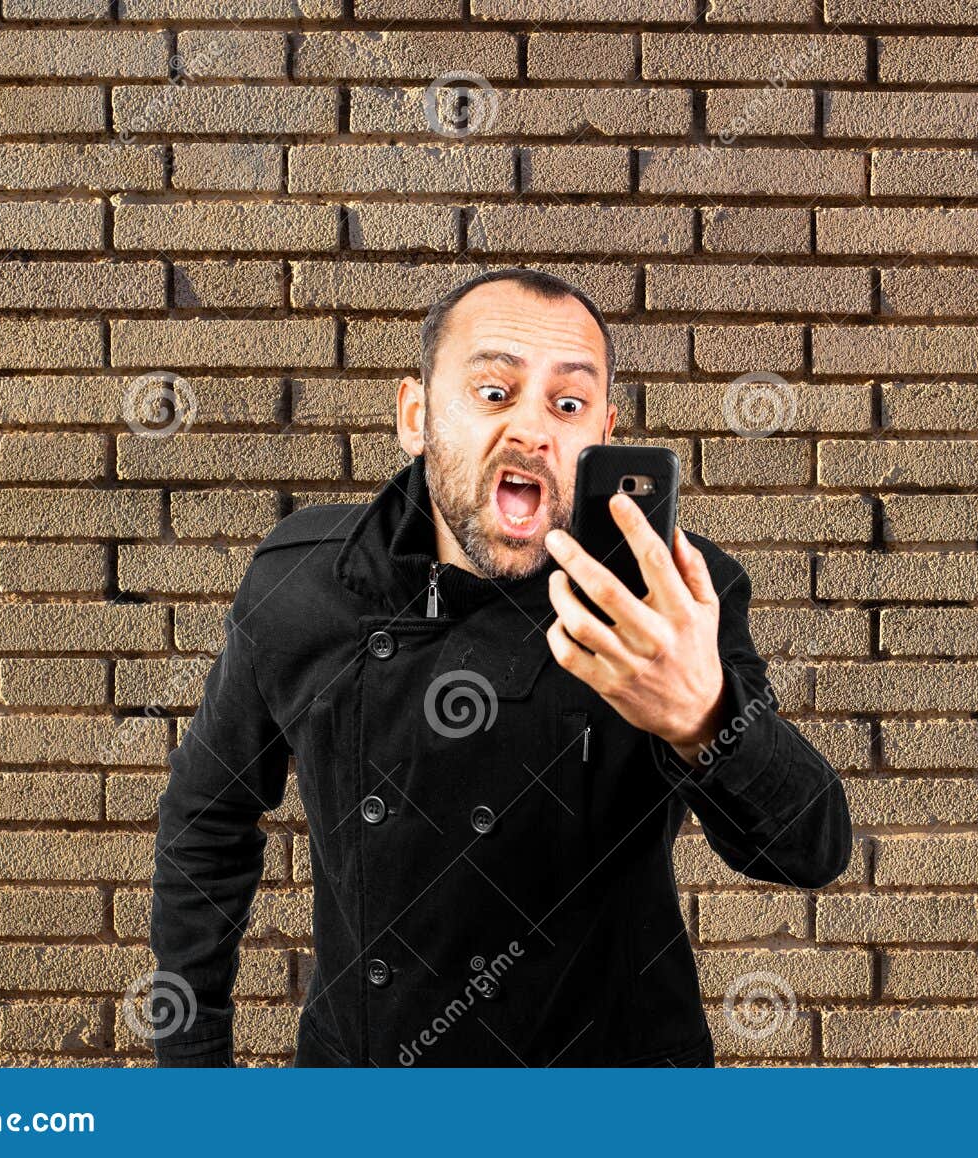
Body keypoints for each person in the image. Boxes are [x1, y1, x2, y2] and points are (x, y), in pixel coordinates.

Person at [149, 267, 852, 1067]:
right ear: (416, 416)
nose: (532, 430)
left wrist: (705, 715)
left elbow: (812, 848)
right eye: (493, 393)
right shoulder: (303, 582)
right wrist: (193, 1077)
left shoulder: (675, 597)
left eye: (568, 403)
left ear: (603, 435)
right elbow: (206, 824)